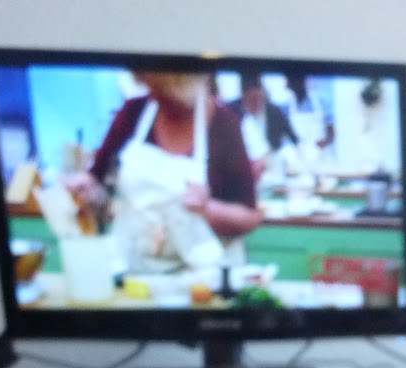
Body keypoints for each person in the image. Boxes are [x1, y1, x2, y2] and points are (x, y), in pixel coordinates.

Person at [65, 72, 260, 272]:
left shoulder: (223, 124)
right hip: (136, 274)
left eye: (161, 88)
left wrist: (207, 209)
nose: (153, 95)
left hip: (202, 279)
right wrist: (87, 191)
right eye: (148, 84)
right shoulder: (133, 112)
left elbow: (249, 218)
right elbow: (98, 188)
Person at [226, 72, 301, 184]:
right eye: (251, 99)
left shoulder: (275, 112)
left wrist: (292, 156)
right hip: (241, 169)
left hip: (273, 168)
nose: (255, 103)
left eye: (258, 98)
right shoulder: (230, 112)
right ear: (243, 96)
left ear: (263, 94)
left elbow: (294, 138)